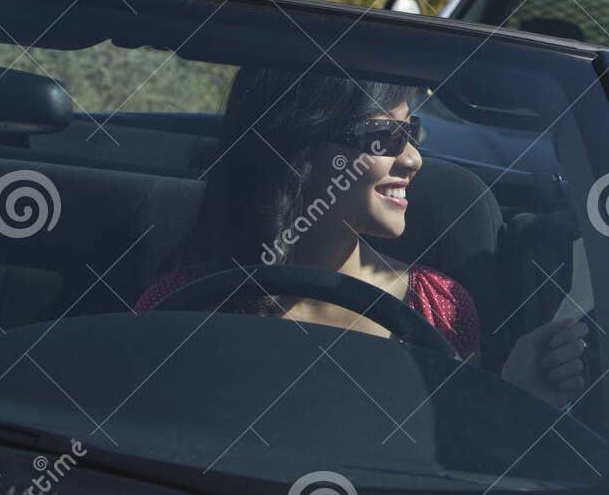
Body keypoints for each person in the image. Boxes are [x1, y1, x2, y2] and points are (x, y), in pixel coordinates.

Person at [136, 67, 586, 406]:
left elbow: (459, 474)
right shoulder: (183, 304)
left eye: (411, 134)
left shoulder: (439, 307)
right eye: (384, 137)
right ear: (301, 148)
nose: (413, 160)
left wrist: (515, 398)